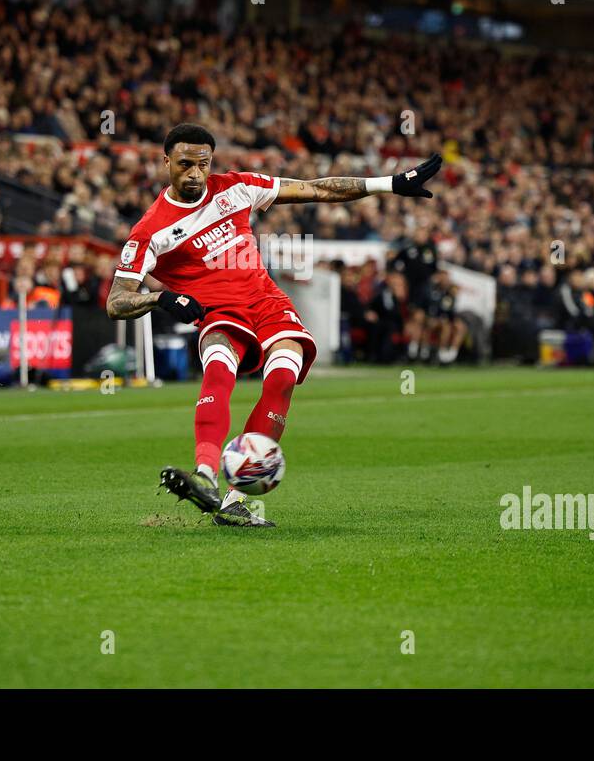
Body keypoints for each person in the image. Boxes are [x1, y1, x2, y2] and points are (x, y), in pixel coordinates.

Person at [106, 123, 442, 527]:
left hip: (267, 303)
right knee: (219, 368)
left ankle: (232, 501)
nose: (195, 173)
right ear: (165, 162)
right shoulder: (150, 230)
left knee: (283, 375)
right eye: (184, 164)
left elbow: (318, 189)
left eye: (203, 164)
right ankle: (205, 475)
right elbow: (117, 300)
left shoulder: (238, 187)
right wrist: (158, 298)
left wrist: (388, 183)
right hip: (217, 313)